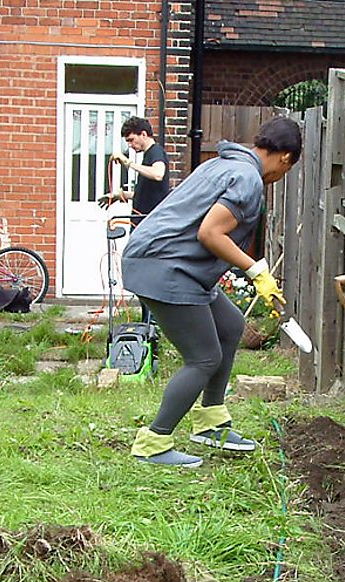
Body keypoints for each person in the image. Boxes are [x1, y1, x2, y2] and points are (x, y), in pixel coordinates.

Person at [116, 116, 302, 468]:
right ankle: (153, 443)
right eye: (286, 169)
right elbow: (210, 233)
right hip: (165, 267)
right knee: (203, 357)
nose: (281, 176)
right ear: (285, 158)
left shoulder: (223, 163)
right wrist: (256, 271)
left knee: (230, 326)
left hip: (165, 261)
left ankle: (211, 422)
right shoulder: (248, 179)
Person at [98, 116, 172, 224]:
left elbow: (158, 173)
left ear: (143, 134)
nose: (130, 145)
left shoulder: (156, 152)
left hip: (151, 224)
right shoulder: (148, 155)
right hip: (142, 223)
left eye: (131, 140)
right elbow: (148, 194)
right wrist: (121, 196)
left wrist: (128, 163)